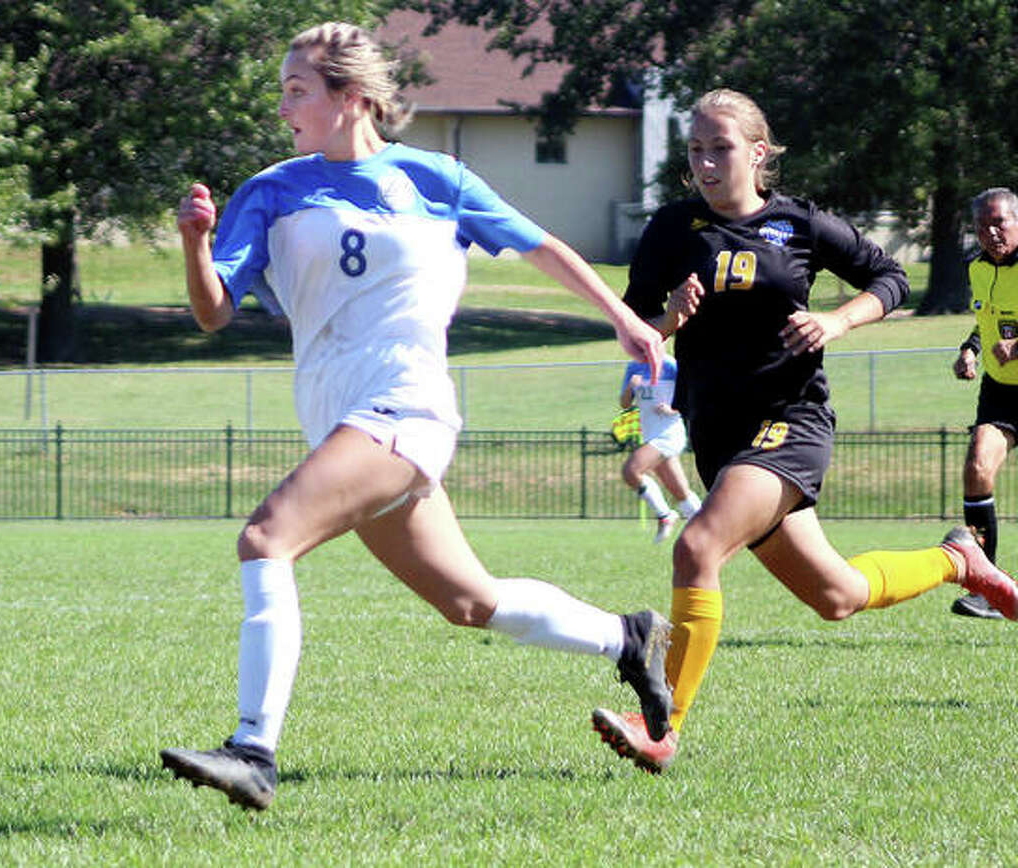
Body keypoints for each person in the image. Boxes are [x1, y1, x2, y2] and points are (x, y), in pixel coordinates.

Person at [159, 21, 675, 810]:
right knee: (469, 602)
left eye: (299, 90)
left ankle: (253, 749)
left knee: (266, 538)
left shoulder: (434, 178)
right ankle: (628, 637)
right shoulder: (270, 191)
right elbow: (212, 313)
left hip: (407, 409)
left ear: (352, 97)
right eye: (284, 90)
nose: (284, 105)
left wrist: (622, 315)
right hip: (344, 424)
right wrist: (197, 245)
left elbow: (540, 246)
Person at [591, 88, 1018, 774]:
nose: (705, 162)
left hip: (791, 423)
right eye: (695, 149)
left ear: (758, 153)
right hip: (720, 439)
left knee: (697, 546)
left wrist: (835, 321)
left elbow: (891, 278)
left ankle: (660, 728)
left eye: (721, 148)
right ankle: (959, 561)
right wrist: (666, 319)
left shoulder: (800, 224)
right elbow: (633, 330)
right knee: (838, 597)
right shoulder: (672, 229)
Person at [949, 187, 1018, 619]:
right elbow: (986, 318)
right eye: (982, 226)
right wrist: (971, 349)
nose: (991, 232)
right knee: (977, 468)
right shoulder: (976, 268)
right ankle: (988, 589)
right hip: (1001, 392)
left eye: (1000, 222)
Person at [619, 354, 703, 542]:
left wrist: (672, 409)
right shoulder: (634, 367)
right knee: (680, 491)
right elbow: (624, 404)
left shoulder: (671, 365)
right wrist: (631, 387)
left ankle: (665, 516)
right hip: (651, 434)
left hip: (669, 434)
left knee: (631, 471)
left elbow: (691, 397)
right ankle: (706, 527)